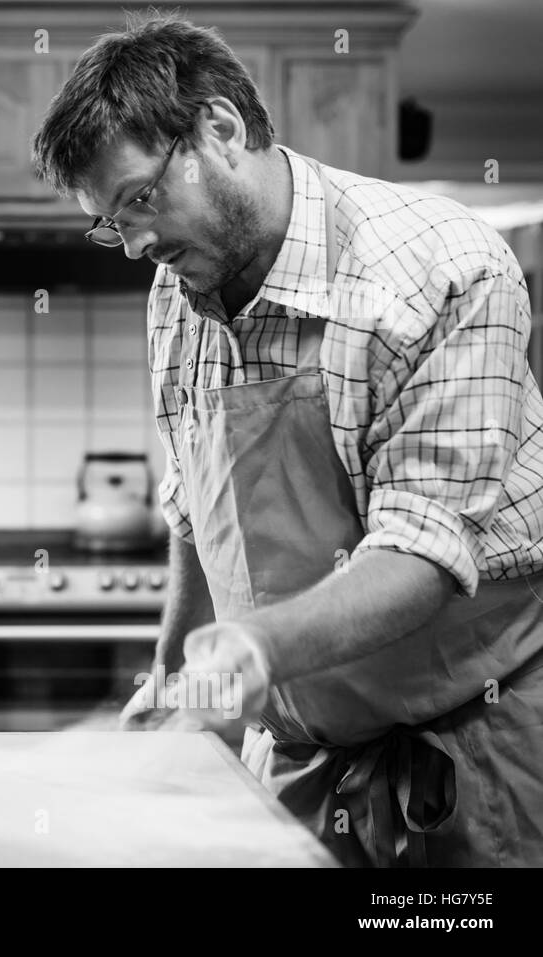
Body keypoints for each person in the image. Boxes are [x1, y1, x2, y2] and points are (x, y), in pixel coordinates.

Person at [32, 11, 543, 867]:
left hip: (473, 756)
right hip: (303, 764)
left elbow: (422, 551)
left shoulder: (438, 267)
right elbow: (195, 511)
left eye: (139, 200)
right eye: (111, 224)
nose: (136, 246)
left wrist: (253, 650)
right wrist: (172, 677)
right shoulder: (178, 291)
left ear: (220, 130)